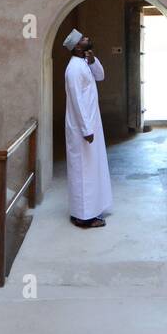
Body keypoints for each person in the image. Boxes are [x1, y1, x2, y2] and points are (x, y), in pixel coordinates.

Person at [63, 28, 112, 228]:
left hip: (91, 124)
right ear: (76, 46)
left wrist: (93, 61)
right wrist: (86, 130)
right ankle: (84, 218)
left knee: (90, 169)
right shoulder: (73, 68)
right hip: (82, 128)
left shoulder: (83, 62)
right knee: (82, 171)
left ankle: (87, 210)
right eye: (83, 38)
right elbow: (77, 101)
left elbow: (100, 76)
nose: (87, 38)